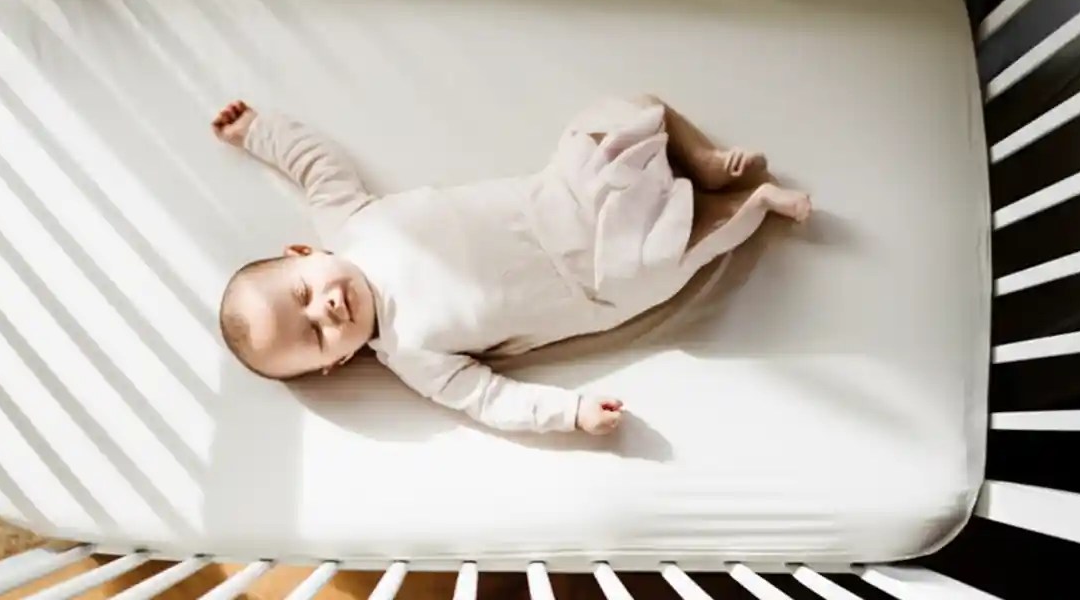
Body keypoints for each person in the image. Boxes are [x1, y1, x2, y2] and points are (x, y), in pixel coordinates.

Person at [213, 95, 809, 435]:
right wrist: (570, 413)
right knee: (654, 264)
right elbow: (492, 400)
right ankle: (747, 205)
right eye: (318, 334)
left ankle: (700, 162)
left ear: (303, 253)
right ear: (336, 363)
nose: (328, 309)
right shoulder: (413, 356)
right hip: (594, 278)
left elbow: (317, 165)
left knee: (609, 119)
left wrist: (259, 133)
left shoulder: (347, 224)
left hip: (561, 197)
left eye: (304, 295)